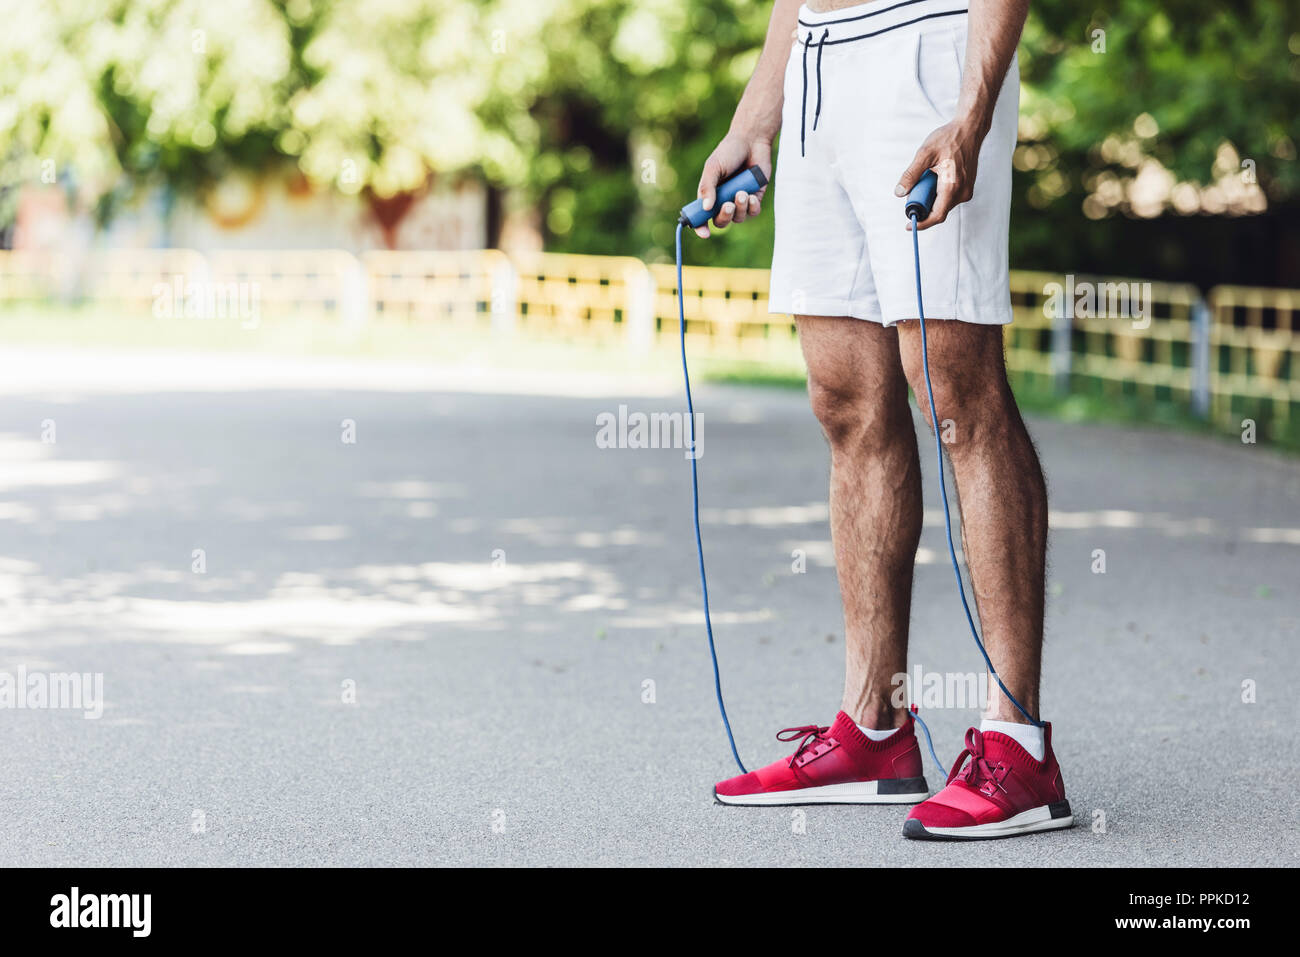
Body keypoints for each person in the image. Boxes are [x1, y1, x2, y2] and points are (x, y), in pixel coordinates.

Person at [699, 0, 1072, 839]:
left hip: (930, 48)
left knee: (954, 387)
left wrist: (972, 112)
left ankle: (1017, 746)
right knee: (844, 398)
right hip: (818, 68)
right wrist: (757, 114)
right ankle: (874, 730)